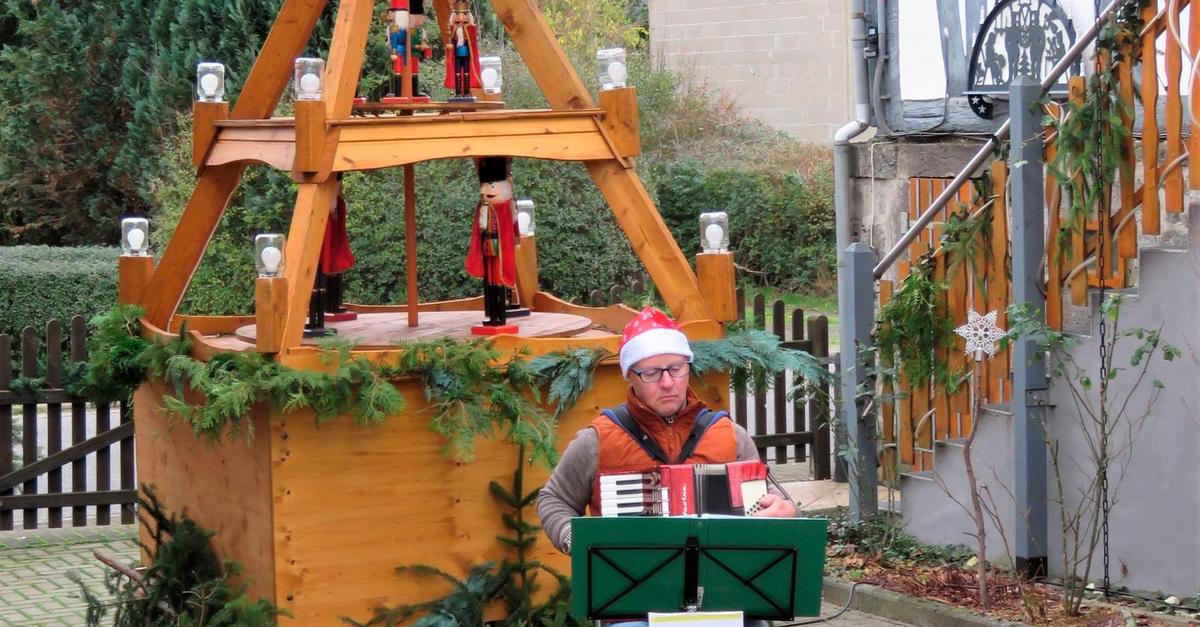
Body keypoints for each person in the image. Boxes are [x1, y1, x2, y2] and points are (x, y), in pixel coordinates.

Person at [536, 306, 796, 625]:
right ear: (630, 376)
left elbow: (771, 498)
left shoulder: (730, 436)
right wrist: (573, 537)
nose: (668, 382)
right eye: (651, 373)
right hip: (633, 607)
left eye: (676, 368)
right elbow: (553, 500)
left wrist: (784, 511)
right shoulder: (597, 441)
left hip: (723, 601)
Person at [465, 157, 517, 329]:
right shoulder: (483, 205)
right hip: (487, 248)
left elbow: (511, 227)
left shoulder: (505, 206)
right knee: (490, 283)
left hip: (500, 250)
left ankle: (500, 317)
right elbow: (478, 227)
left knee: (499, 282)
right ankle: (492, 316)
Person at [444, 0, 481, 100]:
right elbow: (450, 39)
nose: (461, 19)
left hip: (466, 55)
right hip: (457, 54)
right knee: (457, 73)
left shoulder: (469, 29)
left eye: (464, 16)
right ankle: (458, 92)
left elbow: (472, 42)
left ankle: (466, 92)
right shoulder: (453, 29)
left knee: (466, 73)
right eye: (458, 16)